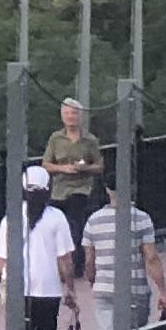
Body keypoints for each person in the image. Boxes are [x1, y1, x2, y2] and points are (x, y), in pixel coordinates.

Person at [77, 153, 166, 330]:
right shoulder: (141, 218)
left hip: (105, 290)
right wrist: (163, 291)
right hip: (134, 289)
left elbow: (89, 260)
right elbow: (151, 258)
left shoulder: (93, 221)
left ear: (107, 190)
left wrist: (94, 281)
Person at [0, 162, 75, 330]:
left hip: (17, 289)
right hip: (48, 288)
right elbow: (65, 260)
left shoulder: (11, 218)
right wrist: (70, 288)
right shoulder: (57, 218)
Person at [42, 95, 104, 232]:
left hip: (81, 189)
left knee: (74, 222)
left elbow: (99, 167)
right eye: (67, 113)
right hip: (58, 191)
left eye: (74, 113)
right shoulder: (55, 138)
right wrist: (63, 168)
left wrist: (85, 168)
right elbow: (46, 165)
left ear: (80, 116)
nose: (70, 116)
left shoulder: (90, 140)